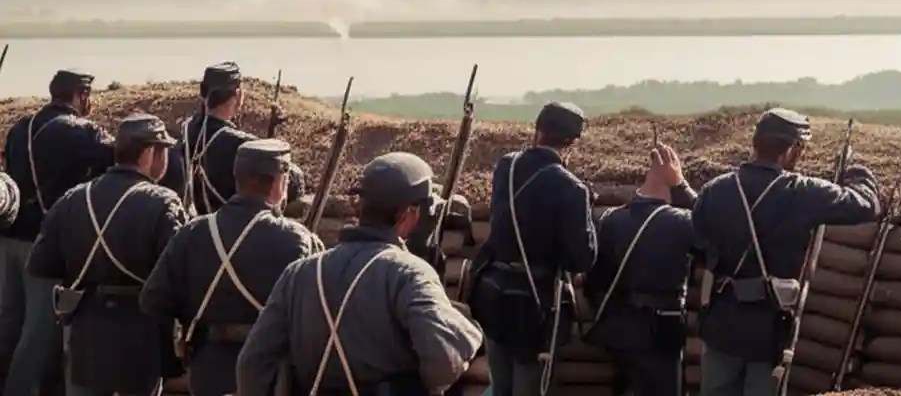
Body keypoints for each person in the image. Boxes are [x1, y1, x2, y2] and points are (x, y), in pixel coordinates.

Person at [237, 152, 483, 396]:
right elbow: (444, 363)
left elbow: (253, 362)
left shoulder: (299, 272)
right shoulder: (410, 274)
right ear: (410, 214)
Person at [692, 108, 880, 396]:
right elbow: (865, 205)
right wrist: (855, 173)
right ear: (792, 150)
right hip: (768, 330)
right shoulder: (802, 193)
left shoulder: (713, 191)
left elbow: (699, 250)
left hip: (721, 323)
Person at [140, 139, 324, 396]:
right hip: (272, 373)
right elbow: (317, 317)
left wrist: (173, 364)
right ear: (279, 183)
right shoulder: (300, 240)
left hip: (208, 369)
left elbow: (153, 300)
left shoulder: (193, 233)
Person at [27, 113, 190, 396]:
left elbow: (41, 263)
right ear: (150, 152)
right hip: (139, 336)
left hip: (86, 333)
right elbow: (179, 274)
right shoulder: (163, 203)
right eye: (164, 150)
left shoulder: (74, 198)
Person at [467, 102, 597, 396]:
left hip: (492, 290)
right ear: (571, 142)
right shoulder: (572, 189)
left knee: (500, 384)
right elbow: (582, 258)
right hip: (533, 303)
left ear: (538, 131)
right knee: (529, 386)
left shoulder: (506, 166)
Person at [1, 69, 115, 396]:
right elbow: (118, 161)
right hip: (43, 244)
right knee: (39, 335)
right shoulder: (81, 131)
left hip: (9, 236)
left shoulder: (20, 127)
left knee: (8, 324)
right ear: (81, 96)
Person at [584, 141, 697, 396]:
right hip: (661, 332)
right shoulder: (682, 222)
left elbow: (594, 283)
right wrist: (683, 188)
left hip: (620, 331)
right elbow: (714, 230)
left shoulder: (611, 219)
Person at [166, 62, 305, 214]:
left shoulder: (185, 132)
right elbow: (295, 180)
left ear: (203, 93)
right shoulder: (241, 145)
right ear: (238, 96)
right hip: (234, 232)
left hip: (196, 229)